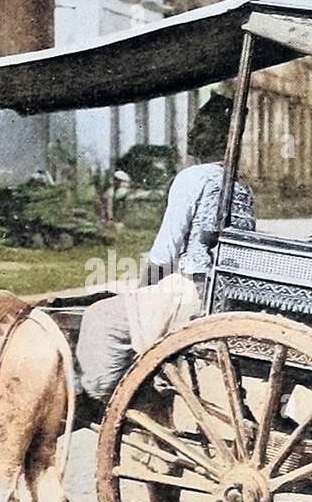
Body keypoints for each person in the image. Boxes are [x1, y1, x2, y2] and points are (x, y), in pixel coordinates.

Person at [75, 93, 254, 404]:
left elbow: (165, 252)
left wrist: (142, 292)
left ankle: (111, 402)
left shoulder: (192, 178)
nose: (190, 134)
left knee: (99, 318)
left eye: (199, 127)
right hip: (228, 297)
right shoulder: (241, 187)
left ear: (209, 138)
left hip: (193, 295)